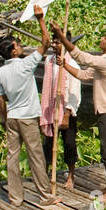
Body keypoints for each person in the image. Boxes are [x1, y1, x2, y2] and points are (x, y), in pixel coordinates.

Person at [52, 22, 106, 202]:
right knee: (105, 148)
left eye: (105, 38)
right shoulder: (102, 62)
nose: (101, 39)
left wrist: (62, 38)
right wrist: (65, 65)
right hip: (105, 111)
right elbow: (84, 75)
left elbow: (82, 58)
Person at [0, 12, 53, 205]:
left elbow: (0, 99)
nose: (21, 46)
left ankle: (15, 197)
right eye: (18, 45)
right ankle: (44, 196)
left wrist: (4, 117)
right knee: (35, 156)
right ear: (13, 52)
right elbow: (46, 42)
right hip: (27, 117)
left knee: (13, 158)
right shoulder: (25, 65)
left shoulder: (0, 73)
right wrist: (40, 19)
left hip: (12, 117)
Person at [39, 39, 82, 190]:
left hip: (66, 110)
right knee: (48, 143)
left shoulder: (72, 64)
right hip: (51, 109)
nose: (54, 46)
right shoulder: (49, 61)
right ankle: (47, 174)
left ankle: (71, 175)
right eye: (54, 42)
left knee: (69, 143)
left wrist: (67, 113)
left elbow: (74, 91)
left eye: (58, 42)